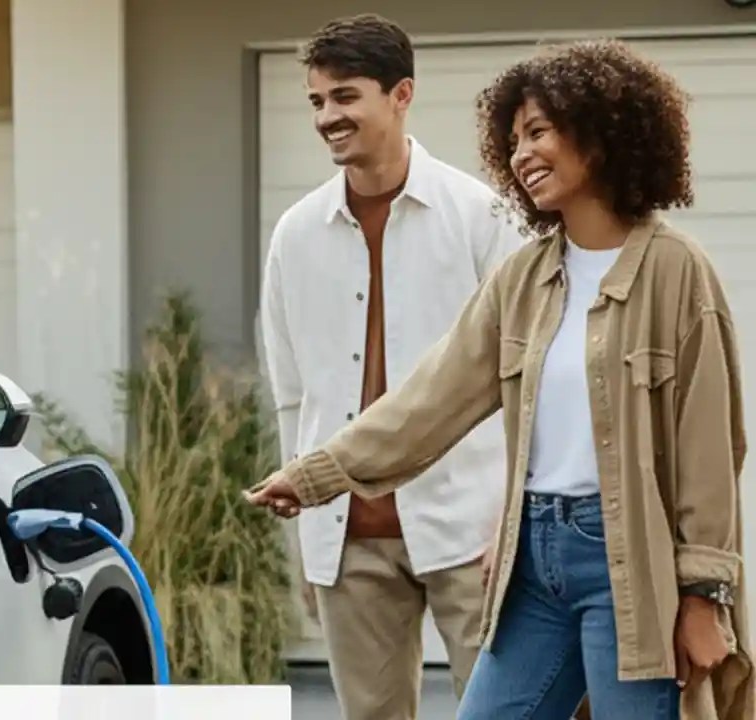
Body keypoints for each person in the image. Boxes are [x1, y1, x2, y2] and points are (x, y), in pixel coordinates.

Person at [247, 37, 753, 720]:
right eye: (513, 140)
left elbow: (710, 451)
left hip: (627, 564)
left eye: (539, 132)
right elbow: (432, 399)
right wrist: (316, 475)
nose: (521, 155)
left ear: (602, 133)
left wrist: (704, 594)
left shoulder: (675, 272)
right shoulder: (526, 278)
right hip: (535, 562)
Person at [257, 14, 521, 720]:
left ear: (400, 95)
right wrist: (307, 536)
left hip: (470, 527)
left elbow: (521, 380)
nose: (327, 117)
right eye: (316, 101)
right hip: (347, 537)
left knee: (504, 712)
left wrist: (512, 521)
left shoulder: (480, 214)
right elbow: (292, 393)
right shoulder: (295, 233)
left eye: (345, 97)